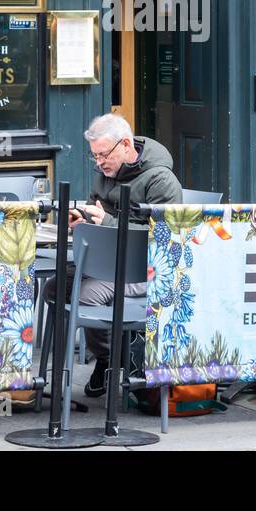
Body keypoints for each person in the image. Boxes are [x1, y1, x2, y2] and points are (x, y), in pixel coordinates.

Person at [55, 113, 182, 397]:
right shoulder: (106, 175)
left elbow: (164, 237)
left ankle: (109, 362)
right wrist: (83, 219)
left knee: (87, 294)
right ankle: (112, 358)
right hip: (107, 260)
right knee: (56, 286)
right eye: (95, 156)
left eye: (103, 155)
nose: (99, 162)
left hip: (145, 267)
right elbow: (95, 210)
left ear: (126, 144)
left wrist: (107, 223)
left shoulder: (160, 179)